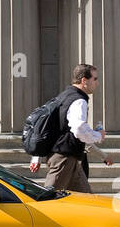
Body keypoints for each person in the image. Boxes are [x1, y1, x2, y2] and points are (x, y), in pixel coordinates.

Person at [29, 63, 113, 193]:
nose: (97, 83)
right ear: (84, 81)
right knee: (49, 199)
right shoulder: (79, 101)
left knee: (86, 200)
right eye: (95, 79)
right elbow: (78, 128)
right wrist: (98, 135)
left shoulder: (64, 96)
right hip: (64, 158)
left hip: (70, 158)